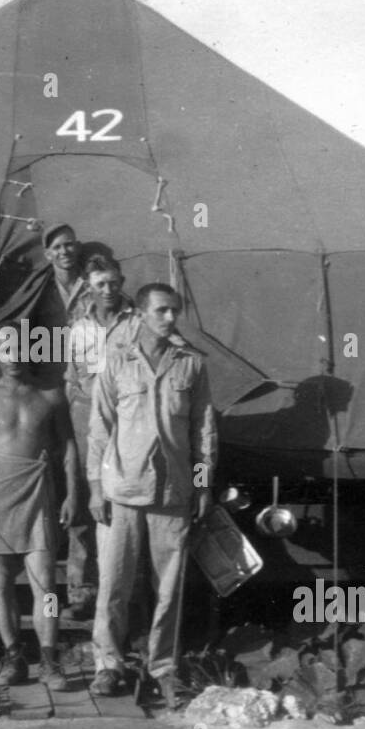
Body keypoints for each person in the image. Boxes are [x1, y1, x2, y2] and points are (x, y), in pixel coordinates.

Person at [87, 283, 217, 704]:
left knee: (169, 587)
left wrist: (201, 485)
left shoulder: (191, 366)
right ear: (140, 314)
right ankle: (108, 666)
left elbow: (203, 431)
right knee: (113, 584)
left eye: (174, 311)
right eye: (161, 311)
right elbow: (99, 428)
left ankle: (163, 667)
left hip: (173, 491)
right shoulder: (116, 363)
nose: (170, 318)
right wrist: (94, 487)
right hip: (122, 490)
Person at [0, 321, 79, 690]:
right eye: (6, 349)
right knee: (0, 581)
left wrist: (72, 494)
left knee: (44, 581)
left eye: (22, 348)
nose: (15, 356)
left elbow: (70, 448)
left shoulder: (51, 396)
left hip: (37, 490)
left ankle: (48, 659)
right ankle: (13, 657)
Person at [62, 254, 140, 619]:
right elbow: (72, 378)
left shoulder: (140, 323)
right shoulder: (78, 329)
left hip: (128, 419)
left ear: (122, 281)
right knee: (81, 501)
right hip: (86, 417)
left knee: (125, 499)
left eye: (113, 283)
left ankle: (125, 592)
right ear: (89, 288)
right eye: (99, 285)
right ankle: (81, 591)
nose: (108, 290)